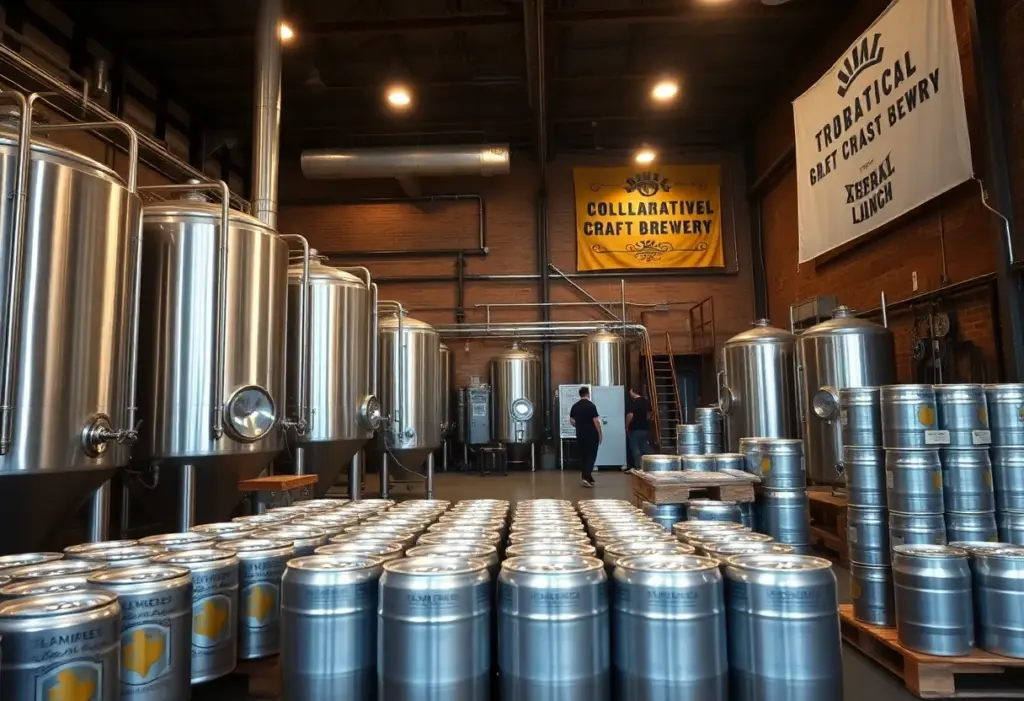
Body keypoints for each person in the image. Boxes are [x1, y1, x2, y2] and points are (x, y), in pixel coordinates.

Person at [570, 386, 602, 488]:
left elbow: (571, 421)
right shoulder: (591, 406)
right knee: (591, 456)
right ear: (588, 393)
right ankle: (586, 477)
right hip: (591, 435)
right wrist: (600, 434)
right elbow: (596, 421)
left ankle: (588, 476)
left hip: (580, 434)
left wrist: (579, 425)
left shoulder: (575, 406)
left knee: (584, 456)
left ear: (580, 394)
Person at [624, 387, 654, 472]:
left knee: (635, 447)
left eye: (630, 392)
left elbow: (630, 415)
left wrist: (626, 426)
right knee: (644, 445)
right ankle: (651, 462)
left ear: (632, 392)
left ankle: (638, 466)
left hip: (635, 428)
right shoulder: (645, 401)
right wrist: (647, 421)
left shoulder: (633, 402)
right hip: (645, 428)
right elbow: (651, 413)